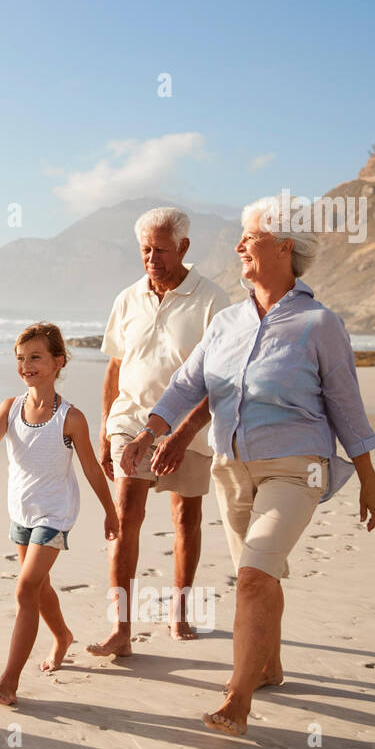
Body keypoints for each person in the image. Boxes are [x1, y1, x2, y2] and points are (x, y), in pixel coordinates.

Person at [121, 195, 375, 736]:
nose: (240, 244)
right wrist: (150, 432)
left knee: (249, 578)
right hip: (231, 469)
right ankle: (269, 665)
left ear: (284, 246)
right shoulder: (227, 323)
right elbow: (187, 386)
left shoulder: (319, 323)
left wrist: (369, 478)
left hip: (296, 469)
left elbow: (346, 404)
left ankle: (238, 699)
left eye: (250, 236)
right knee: (261, 576)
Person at [0, 323, 118, 705]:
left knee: (25, 589)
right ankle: (62, 637)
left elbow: (90, 468)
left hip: (55, 515)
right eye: (21, 359)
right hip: (21, 511)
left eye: (36, 357)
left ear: (58, 362)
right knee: (39, 589)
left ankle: (9, 681)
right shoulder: (10, 408)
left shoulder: (70, 418)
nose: (26, 365)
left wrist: (110, 510)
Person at [90, 207, 230, 655]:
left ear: (184, 248)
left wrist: (183, 433)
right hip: (129, 423)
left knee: (185, 518)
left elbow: (219, 378)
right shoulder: (127, 298)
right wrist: (104, 425)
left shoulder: (213, 299)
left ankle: (181, 610)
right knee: (125, 517)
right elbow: (115, 367)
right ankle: (121, 628)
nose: (152, 259)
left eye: (161, 251)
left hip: (187, 428)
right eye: (146, 250)